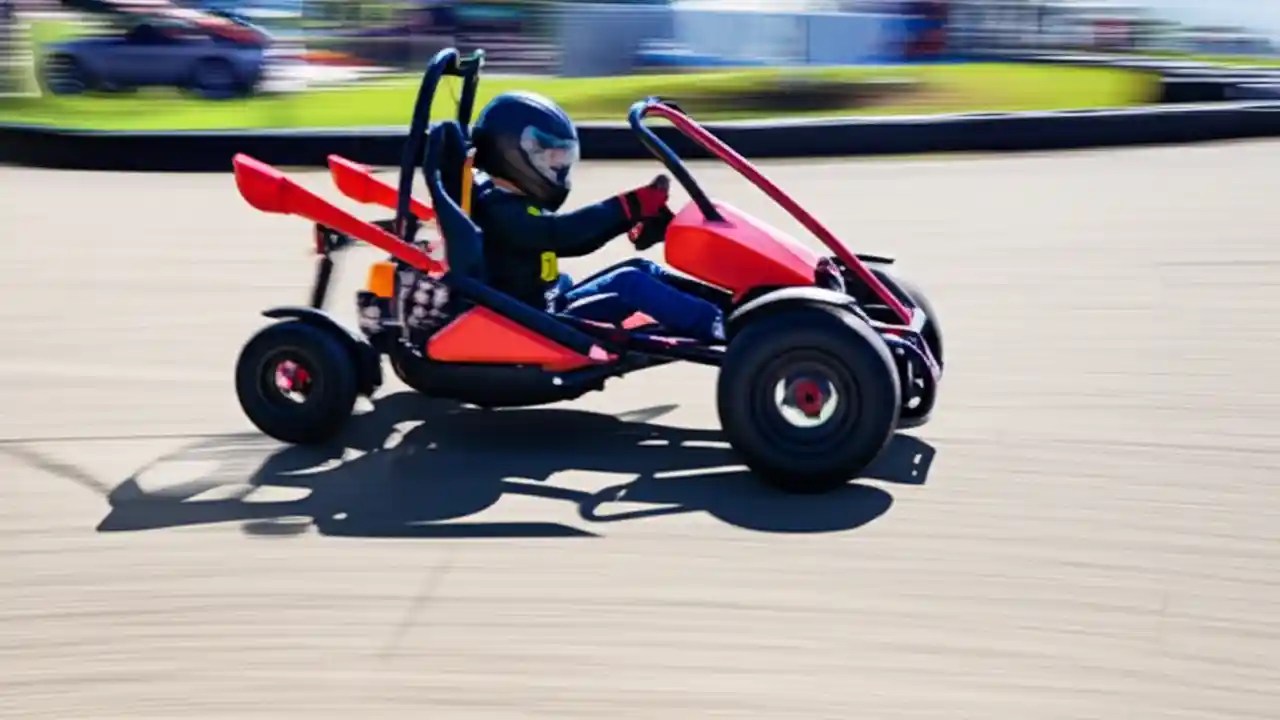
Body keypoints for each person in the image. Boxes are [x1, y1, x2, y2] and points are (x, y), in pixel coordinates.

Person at [468, 90, 727, 342]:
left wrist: (629, 217)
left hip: (546, 306)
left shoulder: (512, 200)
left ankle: (729, 307)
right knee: (630, 283)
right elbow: (565, 235)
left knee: (641, 268)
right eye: (548, 154)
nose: (558, 163)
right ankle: (717, 326)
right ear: (510, 152)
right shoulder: (498, 211)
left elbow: (578, 236)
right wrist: (628, 207)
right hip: (532, 323)